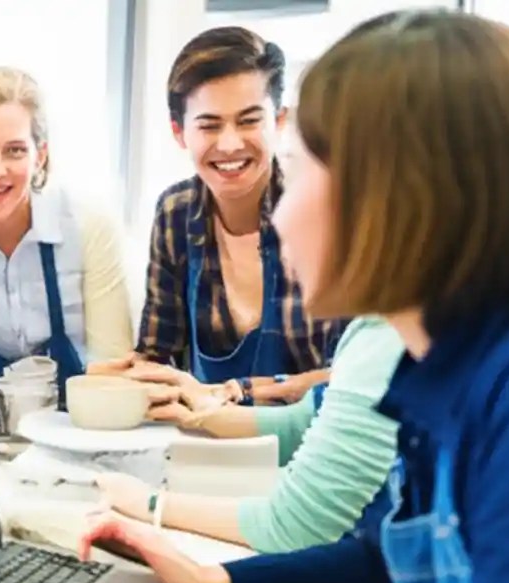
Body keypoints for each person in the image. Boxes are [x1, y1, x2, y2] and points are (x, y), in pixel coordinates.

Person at [0, 10, 509, 583]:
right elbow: (390, 557)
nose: (280, 217)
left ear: (398, 192)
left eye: (299, 173)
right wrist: (212, 579)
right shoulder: (447, 362)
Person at [102, 314, 404, 583]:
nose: (284, 259)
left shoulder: (386, 341)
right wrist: (207, 580)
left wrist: (151, 504)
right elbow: (308, 420)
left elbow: (295, 527)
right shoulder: (383, 330)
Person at [124, 26, 345, 407]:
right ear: (179, 133)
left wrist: (237, 392)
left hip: (315, 445)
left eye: (248, 121)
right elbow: (157, 357)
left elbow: (353, 375)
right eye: (209, 125)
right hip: (207, 444)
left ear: (279, 121)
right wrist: (126, 378)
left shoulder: (318, 210)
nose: (229, 144)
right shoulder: (175, 213)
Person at [0, 67, 133, 413]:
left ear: (40, 155)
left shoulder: (89, 228)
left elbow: (117, 372)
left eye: (15, 151)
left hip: (83, 432)